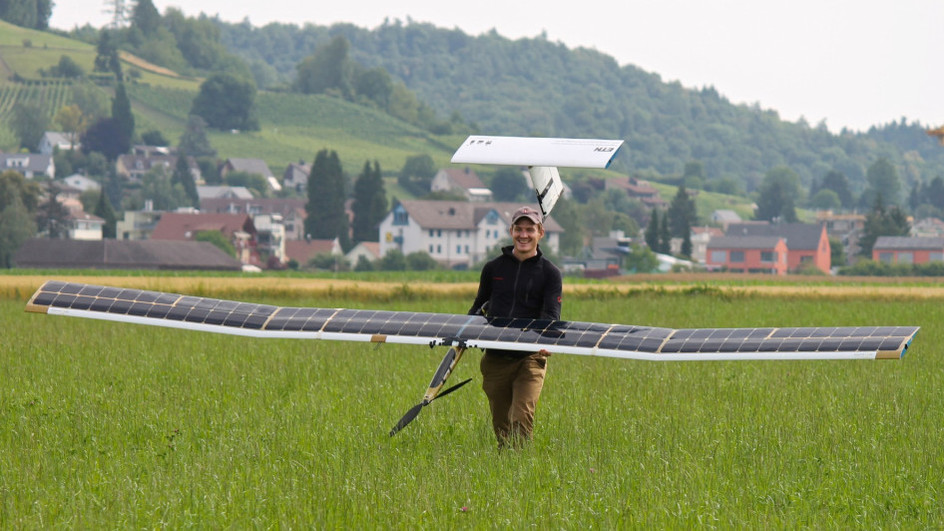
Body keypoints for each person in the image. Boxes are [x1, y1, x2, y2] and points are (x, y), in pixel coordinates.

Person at [468, 206, 562, 449]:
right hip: (495, 359)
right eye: (518, 229)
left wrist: (545, 343)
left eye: (529, 229)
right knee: (502, 427)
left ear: (540, 232)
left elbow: (551, 315)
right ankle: (506, 472)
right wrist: (464, 334)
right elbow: (478, 308)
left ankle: (521, 472)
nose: (524, 235)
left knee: (521, 420)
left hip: (530, 358)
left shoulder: (550, 273)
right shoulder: (493, 268)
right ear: (511, 231)